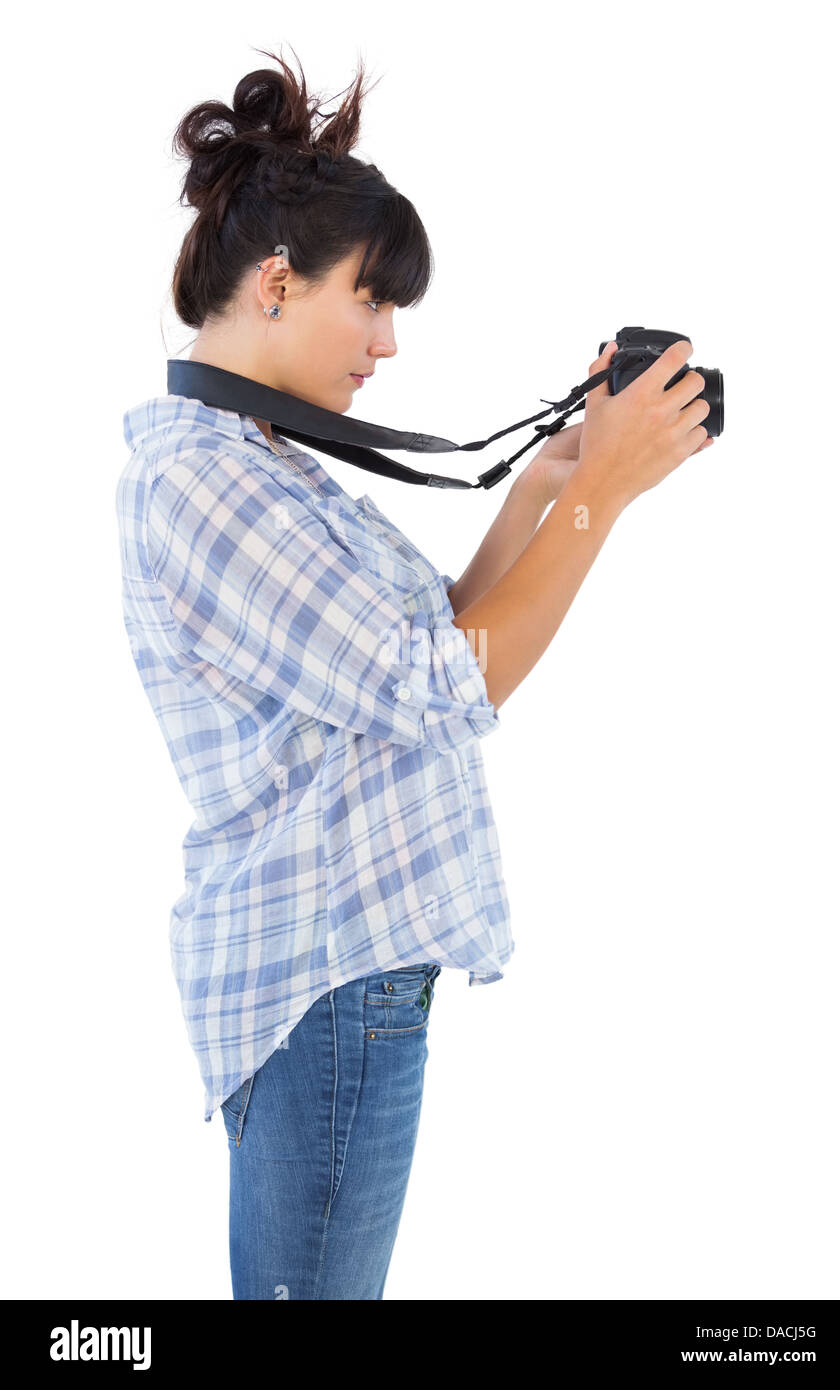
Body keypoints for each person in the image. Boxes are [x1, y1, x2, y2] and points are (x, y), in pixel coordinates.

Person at [115, 45, 714, 1301]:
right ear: (277, 283)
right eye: (371, 299)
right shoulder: (200, 479)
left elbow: (418, 653)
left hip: (347, 977)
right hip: (320, 980)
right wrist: (600, 497)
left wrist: (550, 483)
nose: (386, 343)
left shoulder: (257, 462)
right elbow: (450, 687)